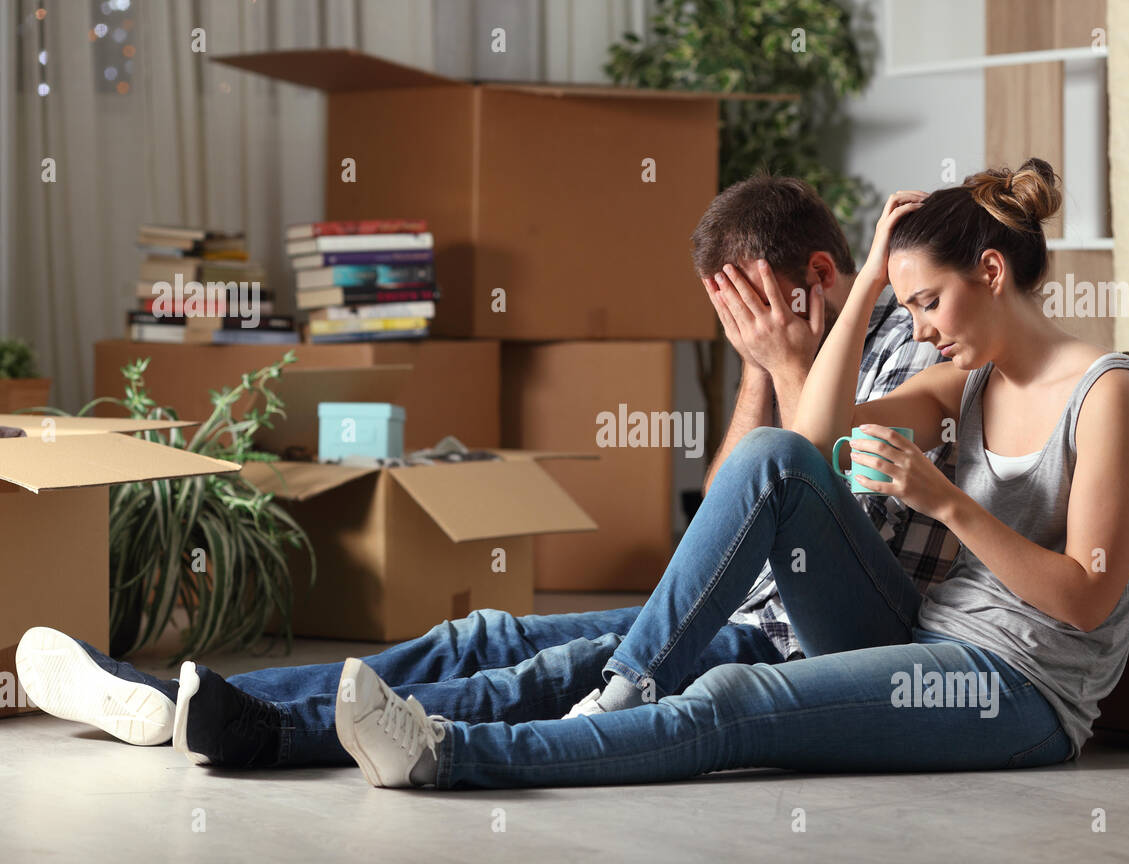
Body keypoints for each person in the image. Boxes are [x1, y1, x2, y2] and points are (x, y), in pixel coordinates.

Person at [15, 175, 959, 767]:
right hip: (746, 604)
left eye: (757, 307)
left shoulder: (912, 346)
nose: (749, 330)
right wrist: (760, 364)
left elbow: (808, 488)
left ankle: (259, 730)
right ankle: (176, 693)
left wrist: (788, 360)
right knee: (485, 635)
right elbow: (721, 518)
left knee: (543, 674)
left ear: (823, 277)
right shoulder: (794, 359)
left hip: (808, 638)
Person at [323, 156, 1129, 789]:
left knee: (734, 700)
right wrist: (874, 273)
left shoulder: (1110, 397)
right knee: (775, 456)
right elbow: (812, 443)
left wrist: (948, 503)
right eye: (904, 305)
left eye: (925, 302)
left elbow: (1086, 596)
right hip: (916, 632)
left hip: (1015, 690)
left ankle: (444, 753)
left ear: (991, 273)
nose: (915, 329)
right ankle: (630, 684)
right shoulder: (972, 378)